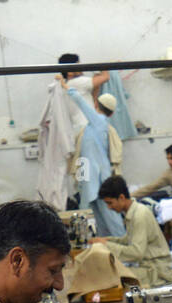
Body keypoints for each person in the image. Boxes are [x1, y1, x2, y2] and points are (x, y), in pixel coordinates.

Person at [61, 76, 125, 237]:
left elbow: (80, 101)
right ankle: (106, 245)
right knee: (95, 216)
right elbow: (84, 155)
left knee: (109, 213)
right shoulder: (93, 126)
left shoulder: (99, 122)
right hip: (89, 176)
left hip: (98, 176)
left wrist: (63, 85)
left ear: (96, 105)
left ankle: (123, 241)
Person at [94, 175, 172, 287]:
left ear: (121, 198)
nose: (109, 207)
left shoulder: (139, 215)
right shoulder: (132, 212)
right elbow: (128, 240)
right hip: (148, 265)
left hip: (156, 270)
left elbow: (136, 253)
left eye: (110, 203)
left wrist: (107, 245)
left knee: (109, 276)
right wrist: (106, 240)